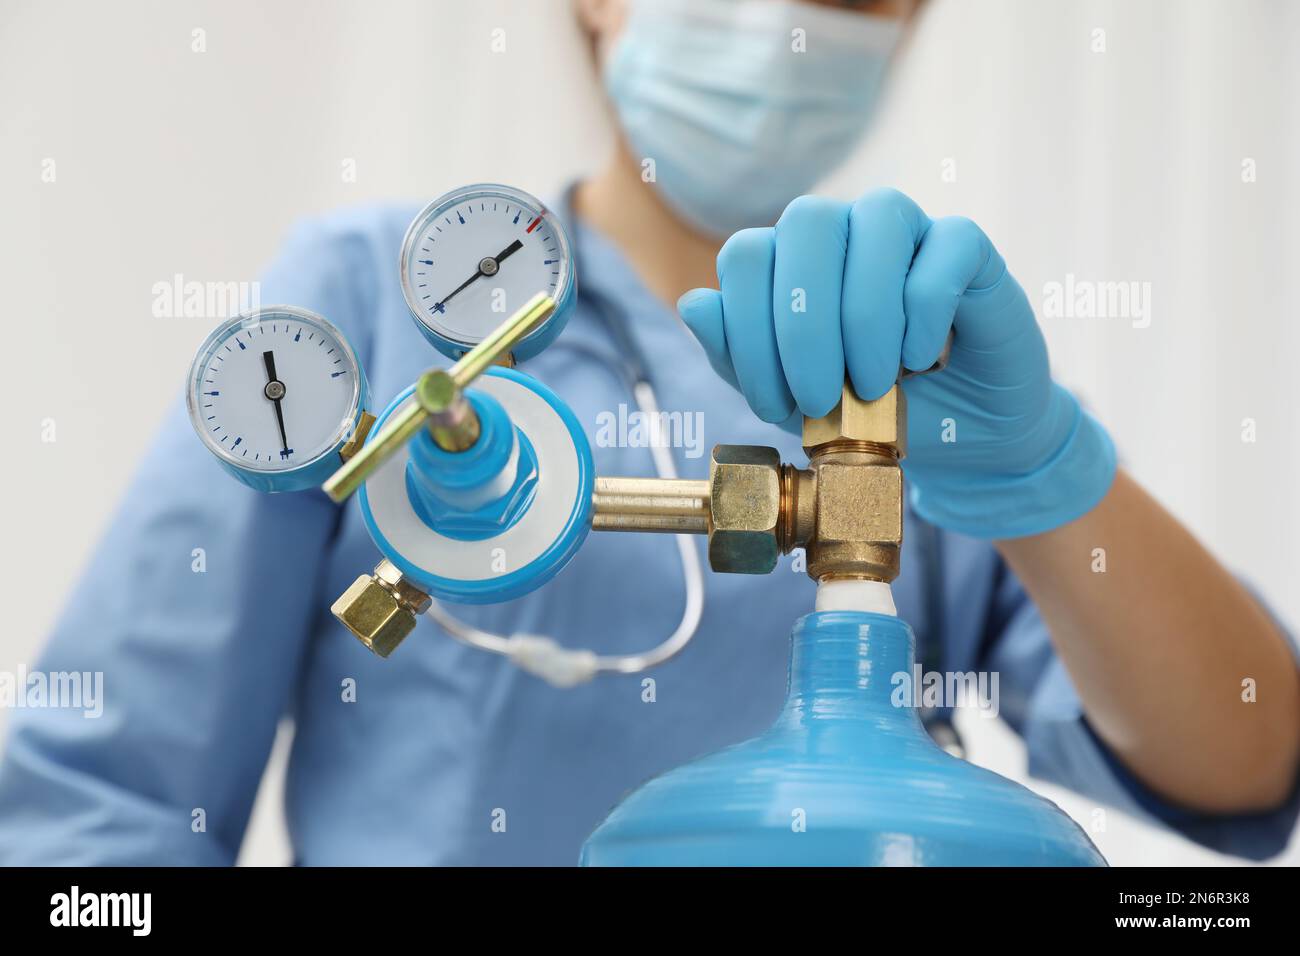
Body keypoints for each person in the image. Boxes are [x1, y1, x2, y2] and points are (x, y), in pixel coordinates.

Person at [1, 0, 1296, 865]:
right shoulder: (370, 304)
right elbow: (99, 812)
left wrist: (1042, 475)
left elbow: (1244, 758)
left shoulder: (910, 362)